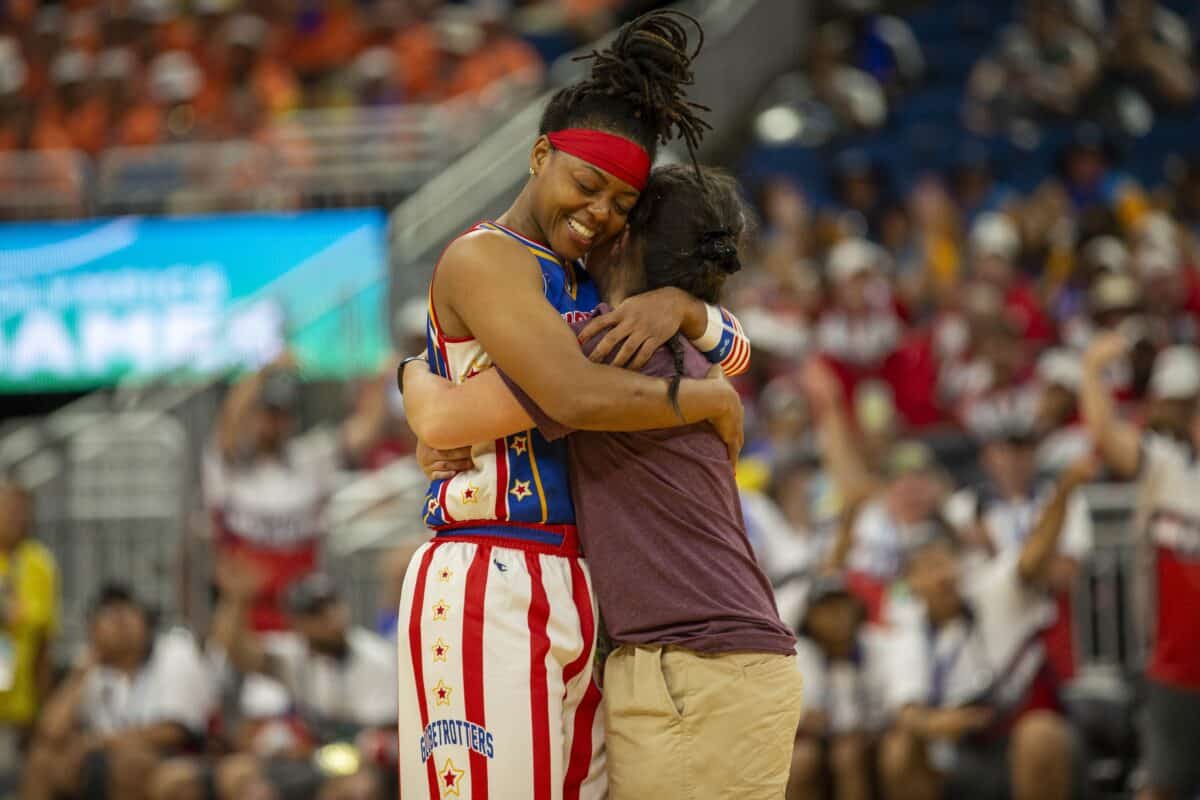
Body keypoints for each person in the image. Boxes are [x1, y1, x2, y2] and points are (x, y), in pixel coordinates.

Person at [396, 11, 751, 799]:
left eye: (622, 202)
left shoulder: (594, 279)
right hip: (489, 569)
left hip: (582, 580)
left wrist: (681, 308)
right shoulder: (486, 257)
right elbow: (571, 395)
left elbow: (737, 348)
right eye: (587, 187)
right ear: (538, 157)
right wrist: (700, 401)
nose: (601, 213)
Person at [877, 459, 1092, 800]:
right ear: (911, 583)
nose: (942, 576)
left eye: (945, 562)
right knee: (899, 750)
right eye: (928, 568)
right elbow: (905, 709)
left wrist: (1062, 494)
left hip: (1015, 735)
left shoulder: (989, 592)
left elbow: (1033, 559)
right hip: (956, 744)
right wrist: (939, 723)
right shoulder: (908, 626)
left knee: (1040, 734)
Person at [1080, 331, 1200, 800]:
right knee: (1163, 787)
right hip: (1175, 667)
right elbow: (1108, 437)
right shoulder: (1168, 468)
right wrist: (1092, 371)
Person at [204, 354, 390, 632]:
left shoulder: (310, 459)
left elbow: (365, 430)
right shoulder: (228, 466)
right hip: (247, 617)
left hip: (304, 614)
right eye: (265, 412)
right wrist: (263, 372)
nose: (272, 422)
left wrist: (384, 376)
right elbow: (228, 423)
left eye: (281, 414)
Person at [211, 567, 393, 800]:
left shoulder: (375, 657)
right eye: (315, 611)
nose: (329, 616)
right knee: (237, 774)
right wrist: (236, 600)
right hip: (312, 757)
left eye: (332, 604)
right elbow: (238, 652)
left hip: (367, 756)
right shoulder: (294, 654)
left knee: (354, 789)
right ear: (297, 622)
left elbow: (382, 732)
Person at [22, 584, 215, 800]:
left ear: (146, 620)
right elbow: (50, 731)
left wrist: (101, 742)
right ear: (92, 629)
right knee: (42, 760)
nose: (120, 622)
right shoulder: (93, 671)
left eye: (127, 611)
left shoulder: (174, 650)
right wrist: (87, 664)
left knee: (126, 764)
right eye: (109, 615)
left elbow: (174, 730)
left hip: (175, 758)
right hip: (102, 760)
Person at [789, 573, 891, 800]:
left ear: (856, 610)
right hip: (824, 740)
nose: (837, 616)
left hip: (875, 734)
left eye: (843, 607)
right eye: (827, 609)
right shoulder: (802, 653)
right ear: (811, 618)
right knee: (802, 760)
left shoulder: (877, 644)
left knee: (848, 755)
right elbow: (811, 718)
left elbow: (891, 707)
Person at [0, 481, 58, 777]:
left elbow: (45, 642)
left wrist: (43, 711)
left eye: (21, 510)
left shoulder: (40, 564)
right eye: (7, 509)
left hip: (20, 705)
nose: (15, 517)